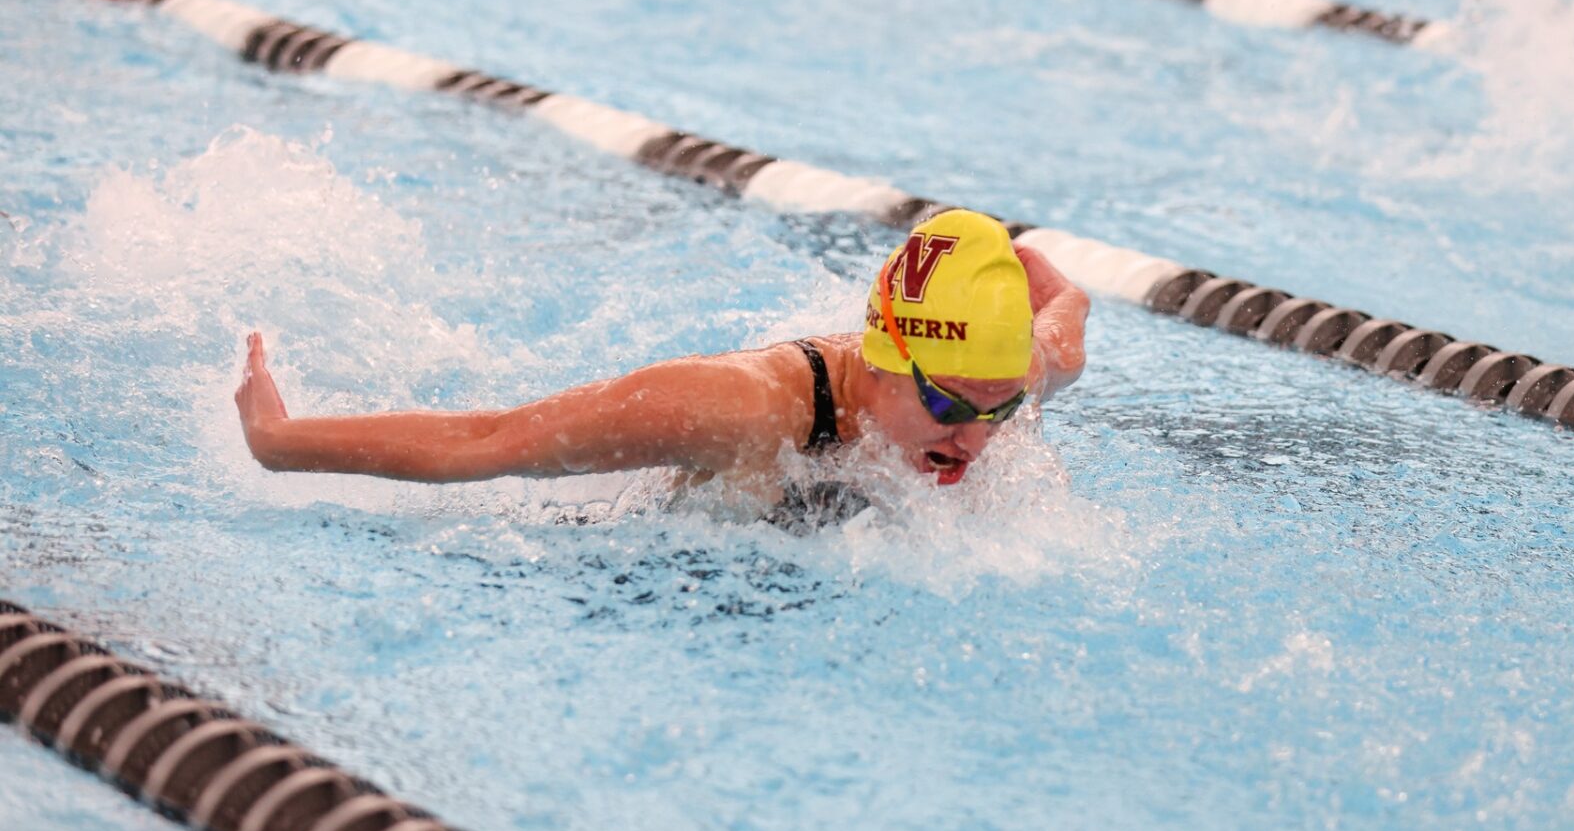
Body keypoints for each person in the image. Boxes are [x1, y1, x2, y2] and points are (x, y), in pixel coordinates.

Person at [234, 210, 1090, 512]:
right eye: (949, 407)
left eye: (1000, 409)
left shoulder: (992, 377)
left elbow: (1058, 339)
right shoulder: (739, 409)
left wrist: (1067, 306)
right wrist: (280, 438)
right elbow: (486, 440)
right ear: (883, 355)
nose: (975, 440)